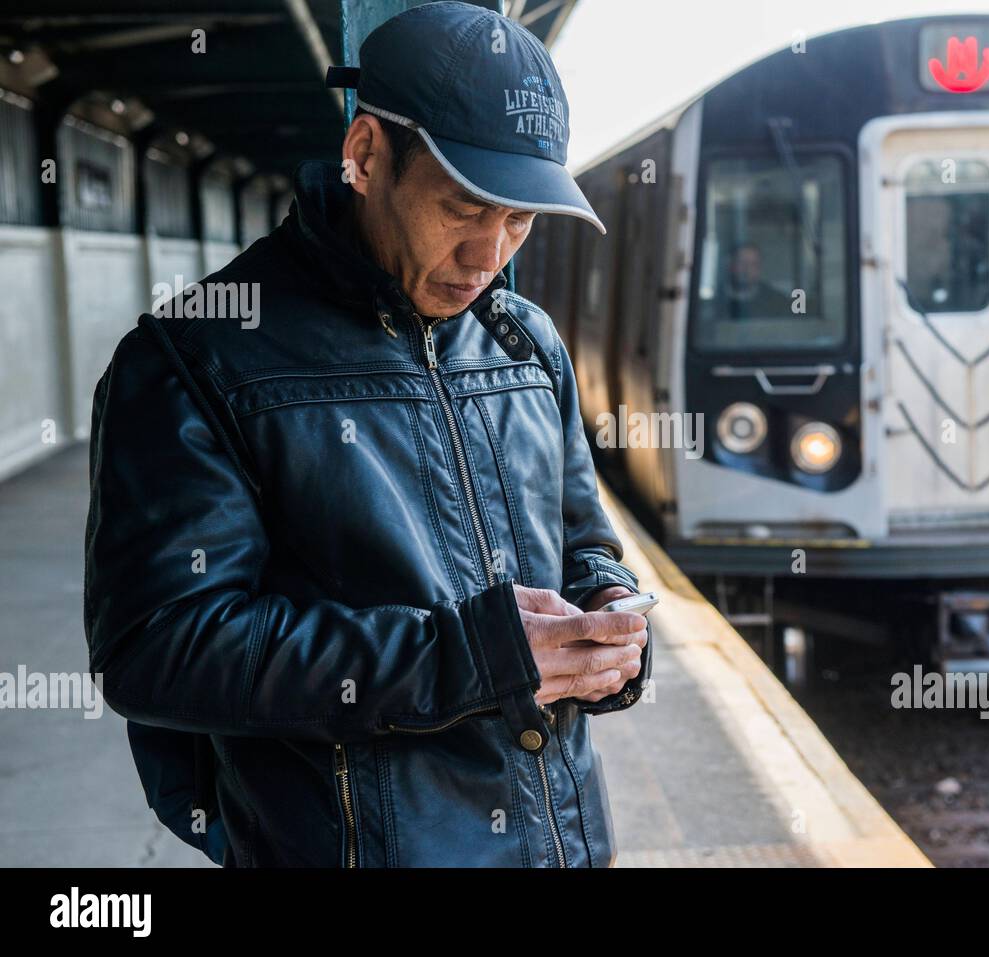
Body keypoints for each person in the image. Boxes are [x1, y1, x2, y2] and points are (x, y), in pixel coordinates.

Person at [83, 1, 651, 867]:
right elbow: (157, 647)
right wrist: (462, 657)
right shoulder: (193, 359)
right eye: (464, 207)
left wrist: (610, 615)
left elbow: (581, 542)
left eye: (521, 220)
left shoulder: (526, 344)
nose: (488, 254)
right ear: (365, 155)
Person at [722, 242, 795, 318]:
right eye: (742, 263)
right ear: (730, 265)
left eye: (753, 264)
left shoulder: (777, 302)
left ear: (759, 268)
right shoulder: (715, 300)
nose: (747, 269)